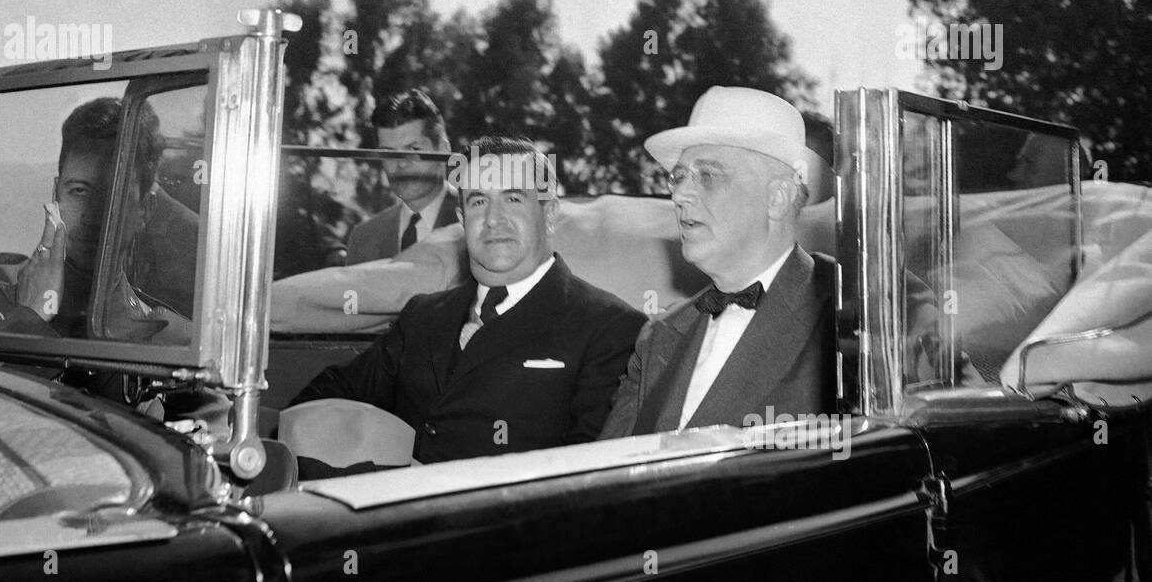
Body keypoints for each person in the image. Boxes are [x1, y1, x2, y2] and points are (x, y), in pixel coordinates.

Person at [289, 136, 646, 464]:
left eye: (513, 198)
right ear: (462, 219)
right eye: (478, 201)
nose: (493, 220)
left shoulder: (610, 328)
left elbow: (585, 478)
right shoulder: (423, 316)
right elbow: (330, 395)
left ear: (550, 215)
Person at [600, 87, 835, 437]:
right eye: (678, 177)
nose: (679, 195)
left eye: (707, 176)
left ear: (777, 197)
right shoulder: (659, 335)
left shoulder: (851, 305)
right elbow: (608, 474)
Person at [0, 97, 192, 344]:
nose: (91, 218)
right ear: (56, 195)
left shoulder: (169, 339)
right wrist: (31, 315)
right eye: (79, 191)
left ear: (145, 210)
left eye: (112, 197)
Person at [346, 89, 460, 264]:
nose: (401, 163)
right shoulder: (363, 239)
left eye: (414, 150)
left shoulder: (475, 223)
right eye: (389, 153)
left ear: (443, 150)